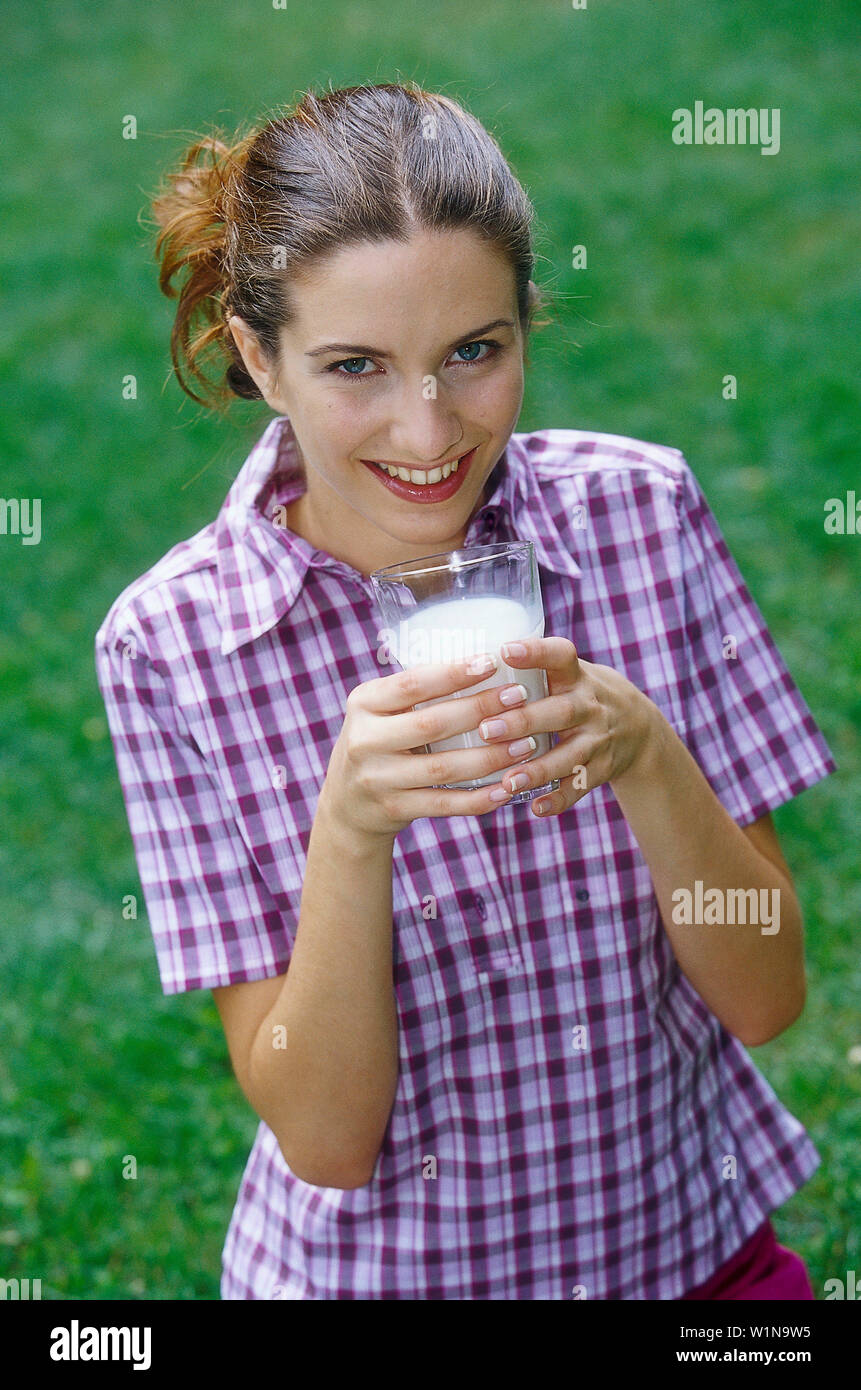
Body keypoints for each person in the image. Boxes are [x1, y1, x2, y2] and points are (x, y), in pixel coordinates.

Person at [94, 81, 836, 1300]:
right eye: (355, 366)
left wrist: (648, 753)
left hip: (688, 1267)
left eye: (474, 352)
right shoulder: (175, 645)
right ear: (258, 361)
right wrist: (352, 828)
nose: (428, 428)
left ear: (526, 326)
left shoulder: (642, 514)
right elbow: (326, 1140)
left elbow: (769, 997)